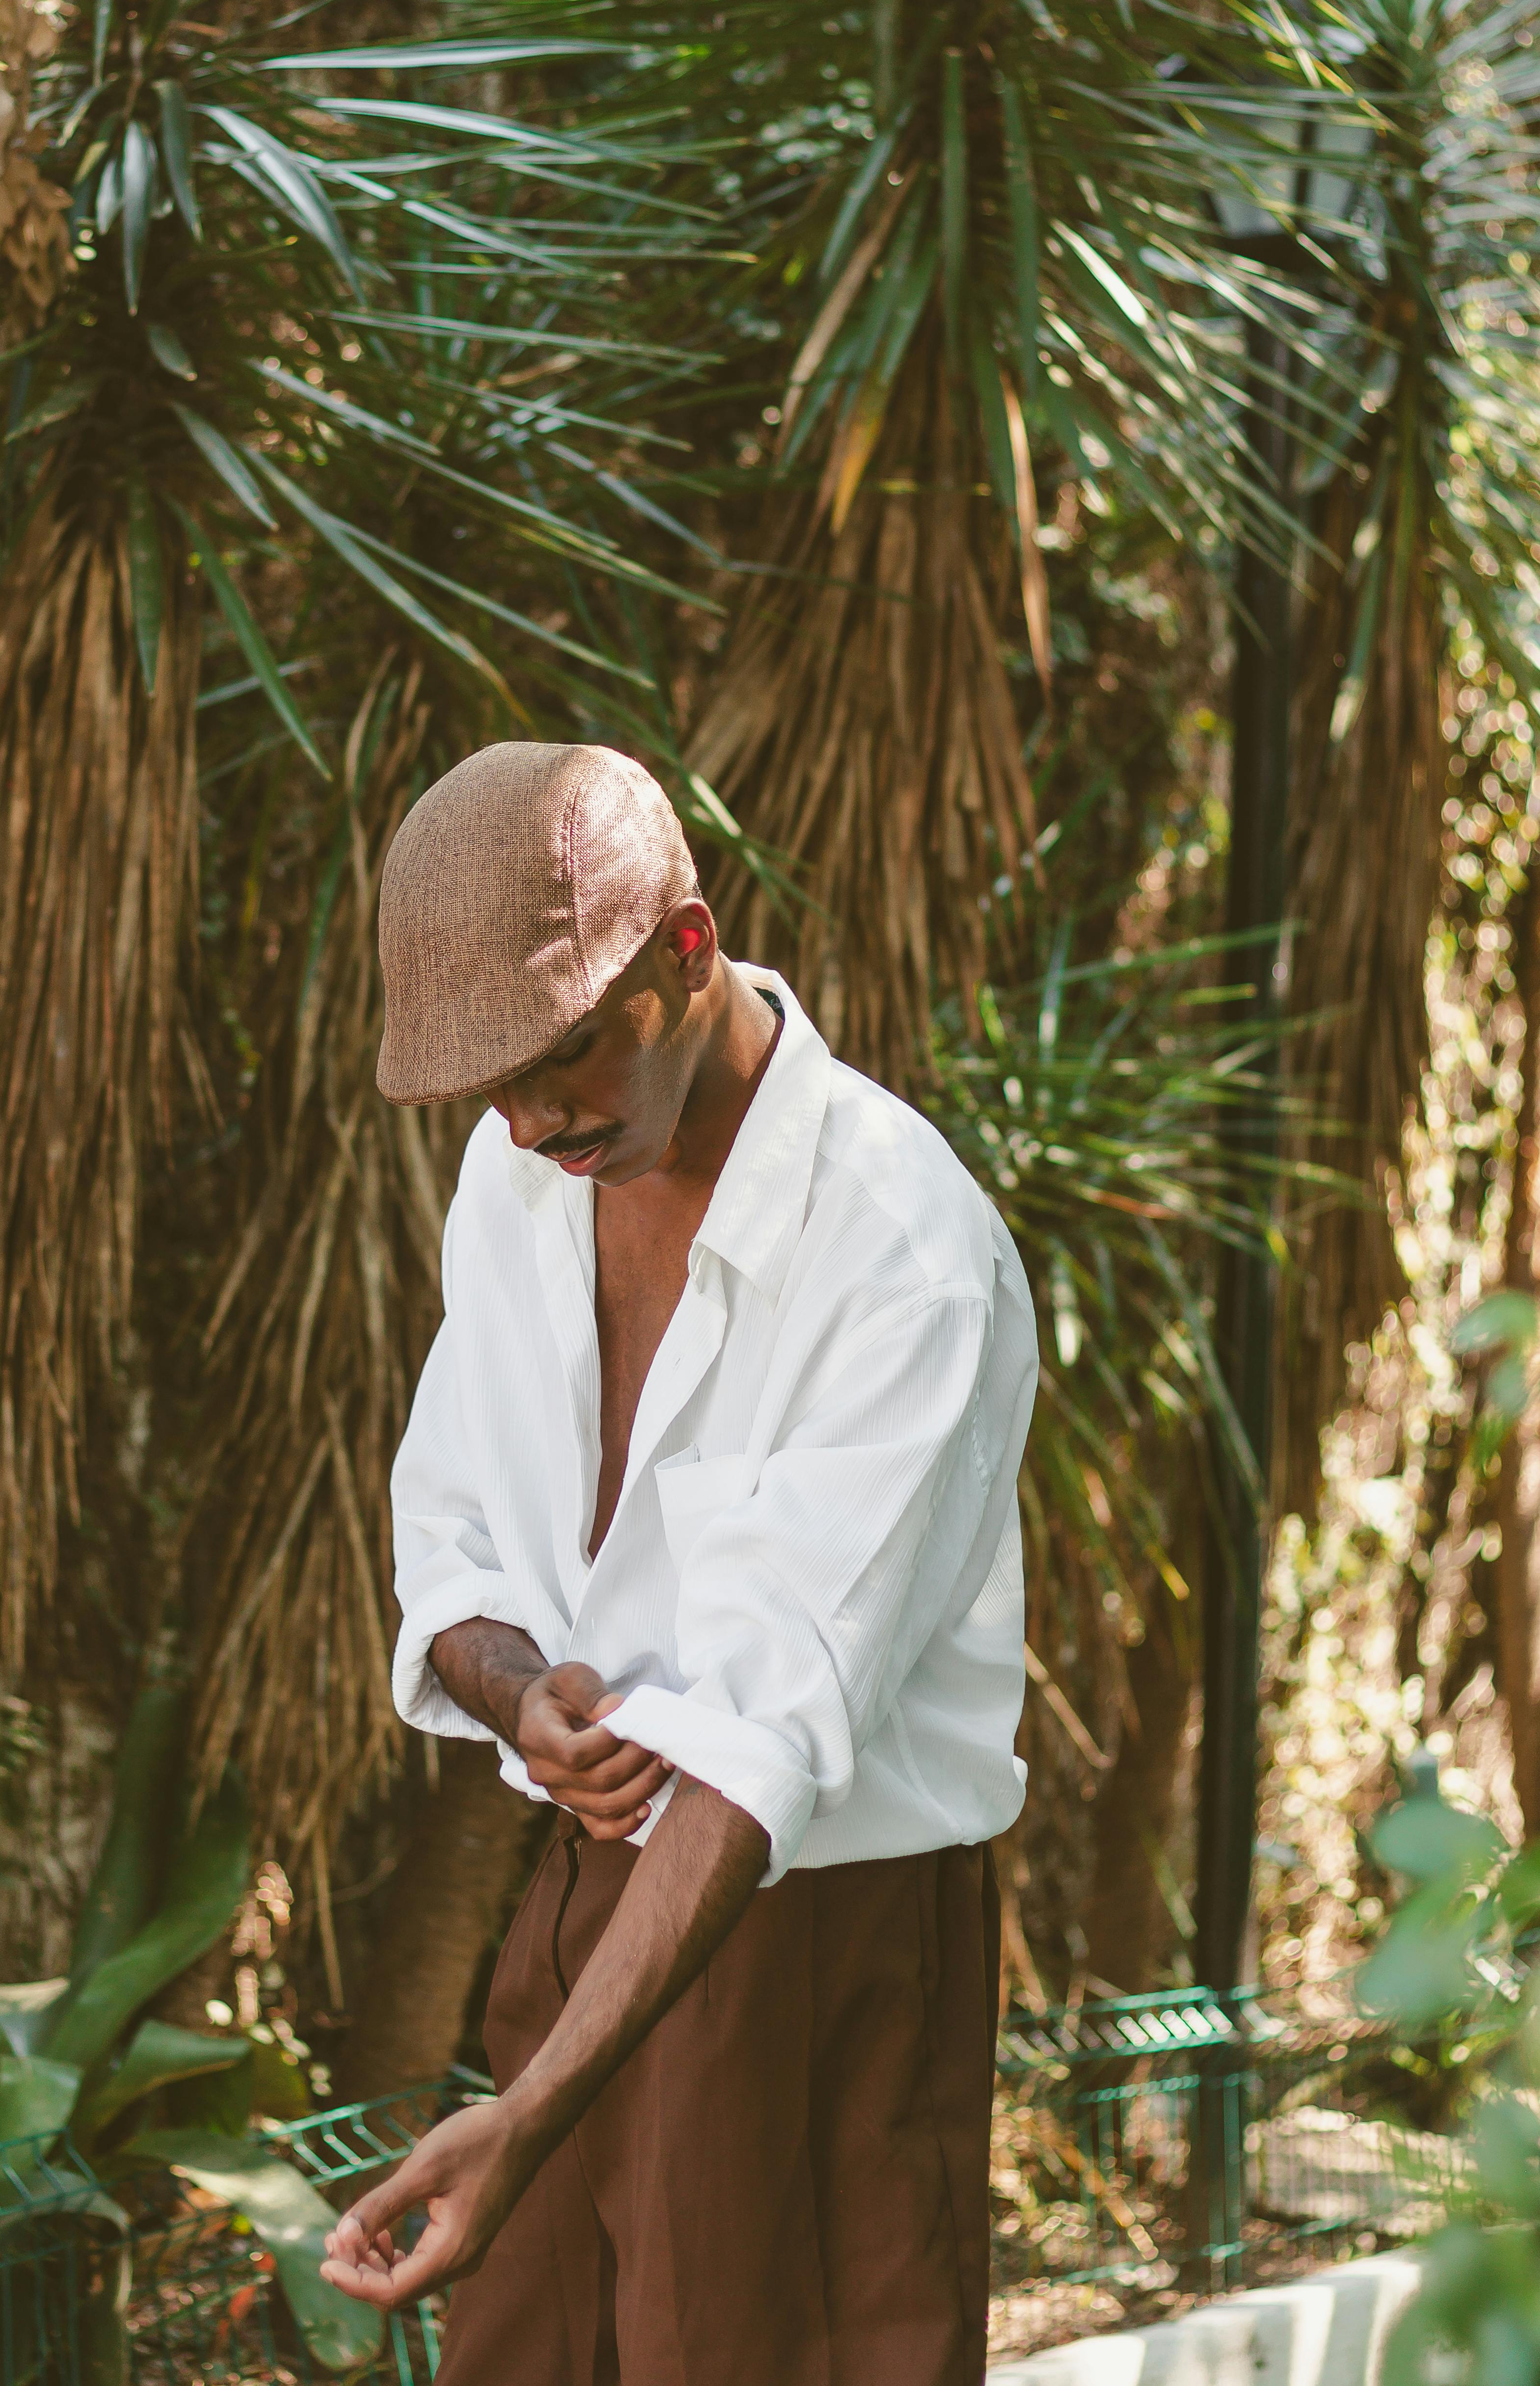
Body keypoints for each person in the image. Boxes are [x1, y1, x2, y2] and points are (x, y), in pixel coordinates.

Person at [321, 741, 1036, 2385]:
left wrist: (524, 2118)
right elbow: (453, 1537)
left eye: (563, 1055)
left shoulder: (901, 1250)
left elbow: (761, 1744)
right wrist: (520, 1701)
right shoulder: (521, 1177)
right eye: (488, 1085)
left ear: (687, 949)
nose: (528, 1118)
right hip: (586, 1913)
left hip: (819, 1941)